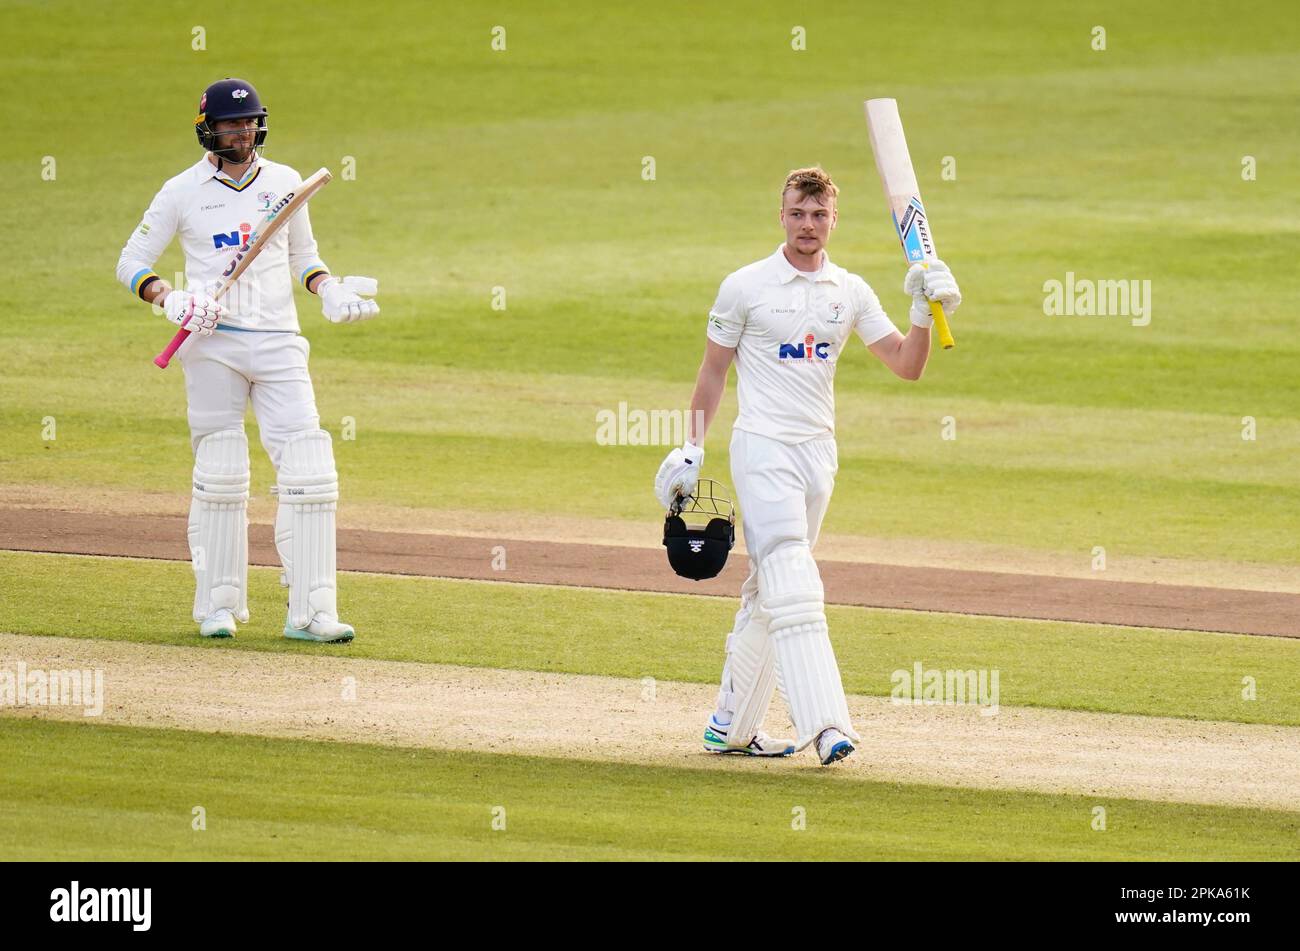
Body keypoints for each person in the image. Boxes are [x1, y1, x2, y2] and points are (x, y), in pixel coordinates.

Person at [654, 166, 961, 765]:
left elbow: (907, 365)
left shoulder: (849, 291)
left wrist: (924, 311)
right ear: (782, 215)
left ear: (834, 221)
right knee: (793, 575)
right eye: (797, 213)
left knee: (769, 588)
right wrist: (691, 447)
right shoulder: (744, 286)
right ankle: (826, 724)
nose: (807, 225)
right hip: (761, 446)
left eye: (819, 215)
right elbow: (713, 371)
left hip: (819, 452)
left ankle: (730, 726)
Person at [115, 77, 379, 643]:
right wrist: (170, 297)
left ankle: (310, 611)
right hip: (212, 342)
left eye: (250, 121)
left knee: (309, 467)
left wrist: (327, 289)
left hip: (280, 341)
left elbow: (304, 257)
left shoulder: (286, 182)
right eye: (232, 123)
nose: (243, 131)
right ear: (207, 128)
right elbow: (131, 261)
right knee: (220, 469)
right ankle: (217, 605)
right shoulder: (182, 192)